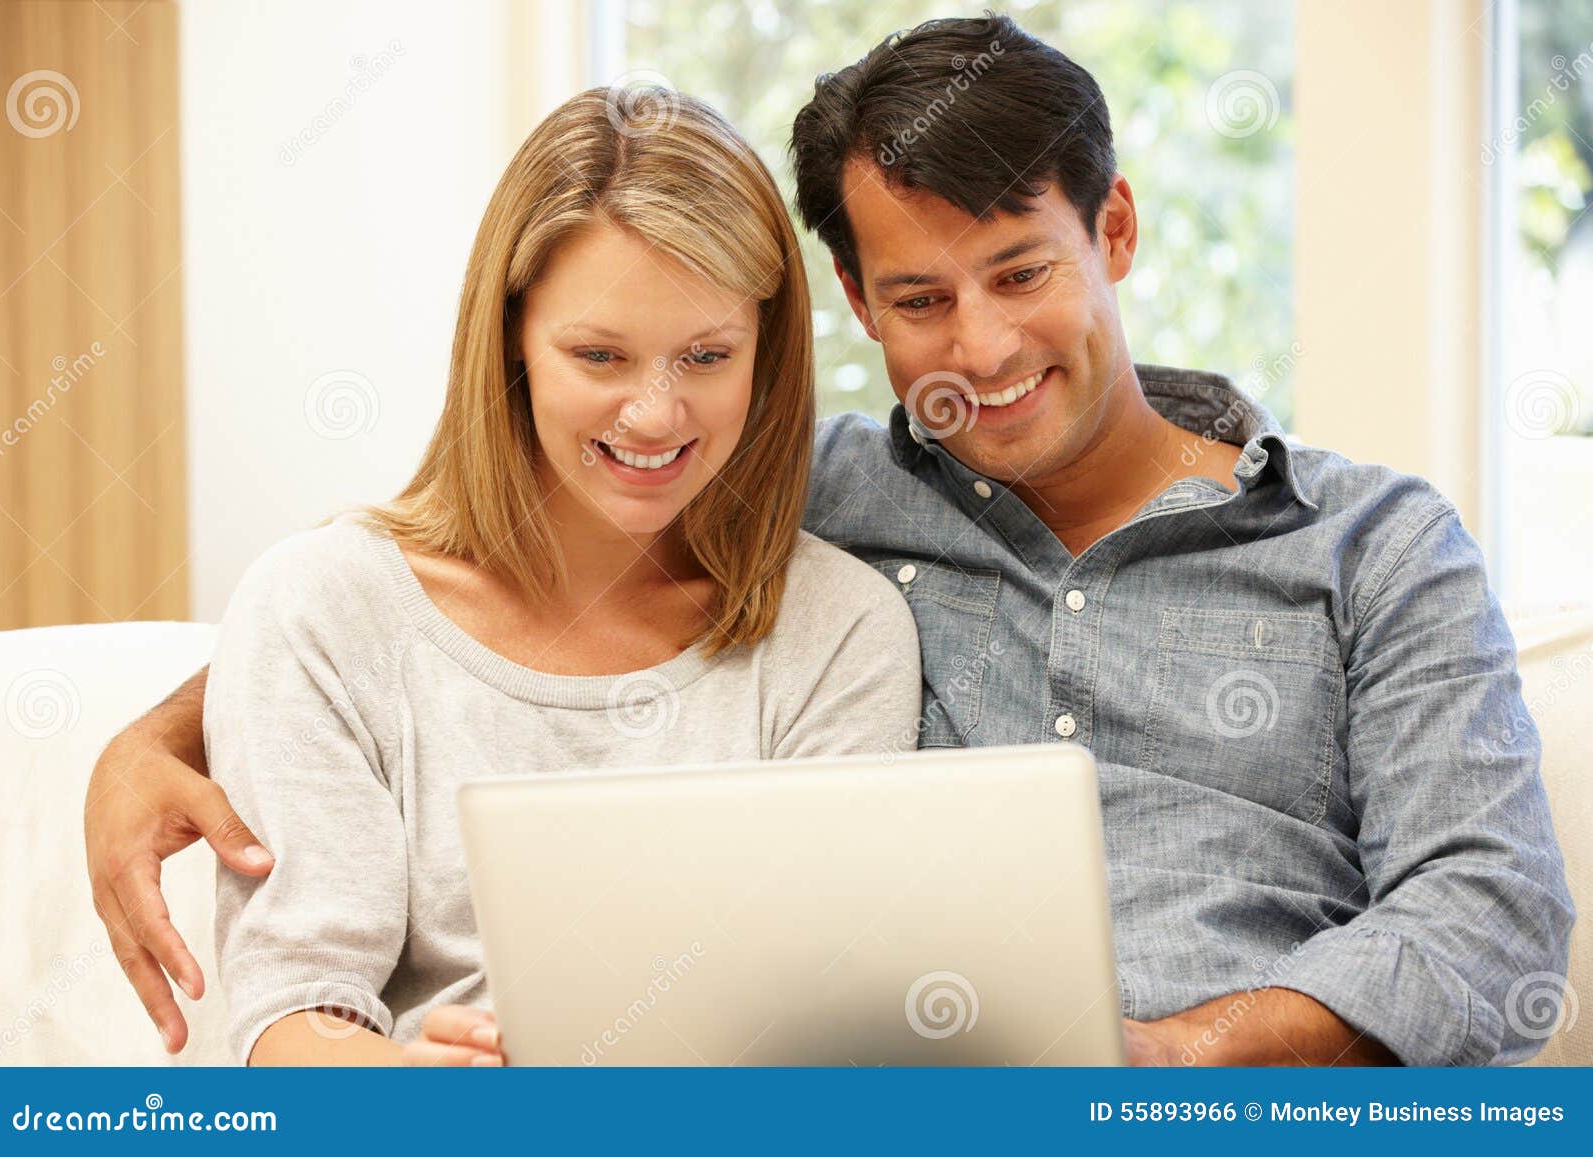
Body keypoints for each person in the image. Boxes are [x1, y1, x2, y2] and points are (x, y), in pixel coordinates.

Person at [86, 14, 1573, 1067]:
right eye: (920, 297)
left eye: (1022, 271)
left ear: (1113, 231)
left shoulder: (1370, 543)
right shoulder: (783, 492)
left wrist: (1172, 1058)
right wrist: (161, 728)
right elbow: (461, 566)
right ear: (853, 304)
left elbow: (1493, 915)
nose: (982, 349)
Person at [92, 87, 921, 1066]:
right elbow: (294, 1018)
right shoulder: (322, 601)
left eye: (706, 354)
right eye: (598, 354)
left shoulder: (840, 625)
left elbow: (822, 1017)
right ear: (511, 343)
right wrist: (408, 1085)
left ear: (765, 354)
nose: (655, 415)